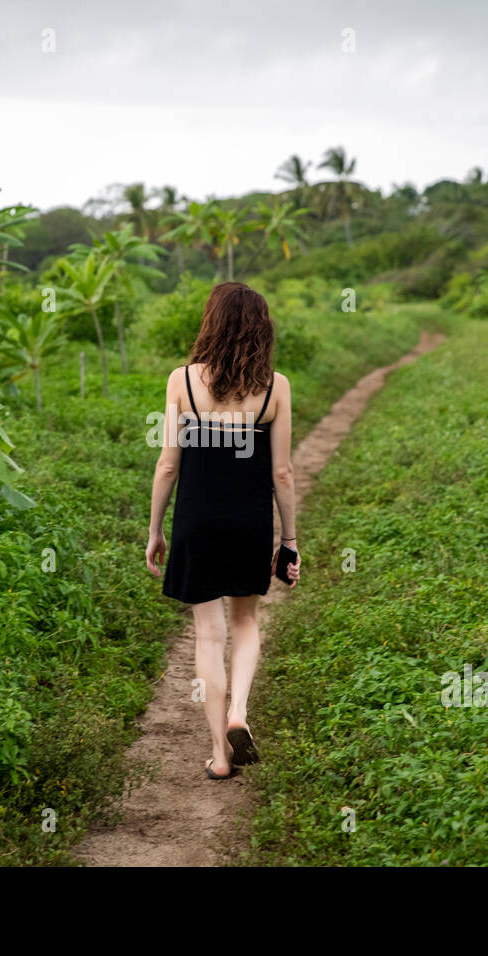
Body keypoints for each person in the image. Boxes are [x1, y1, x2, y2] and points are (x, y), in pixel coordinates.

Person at [146, 281, 301, 780]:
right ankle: (240, 714)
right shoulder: (276, 387)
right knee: (245, 624)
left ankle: (218, 754)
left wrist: (155, 529)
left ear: (211, 322)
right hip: (247, 523)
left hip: (196, 521)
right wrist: (289, 541)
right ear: (262, 327)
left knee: (208, 636)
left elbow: (168, 465)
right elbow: (282, 473)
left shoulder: (181, 382)